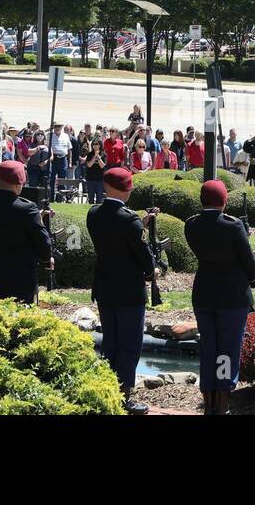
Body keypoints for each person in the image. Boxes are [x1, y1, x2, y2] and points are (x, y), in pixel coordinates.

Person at [86, 168, 158, 415]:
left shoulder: (94, 213)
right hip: (129, 290)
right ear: (125, 189)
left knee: (111, 341)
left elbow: (117, 236)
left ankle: (107, 392)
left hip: (105, 286)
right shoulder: (130, 220)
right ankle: (123, 397)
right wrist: (152, 273)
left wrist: (141, 224)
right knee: (129, 345)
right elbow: (142, 255)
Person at [185, 180, 255, 415]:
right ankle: (222, 401)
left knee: (209, 348)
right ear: (224, 201)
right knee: (227, 350)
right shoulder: (233, 226)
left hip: (204, 293)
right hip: (232, 296)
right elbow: (248, 262)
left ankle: (209, 402)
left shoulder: (191, 225)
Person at [0, 160, 53, 304]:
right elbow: (43, 242)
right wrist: (46, 260)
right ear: (18, 183)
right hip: (21, 277)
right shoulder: (28, 209)